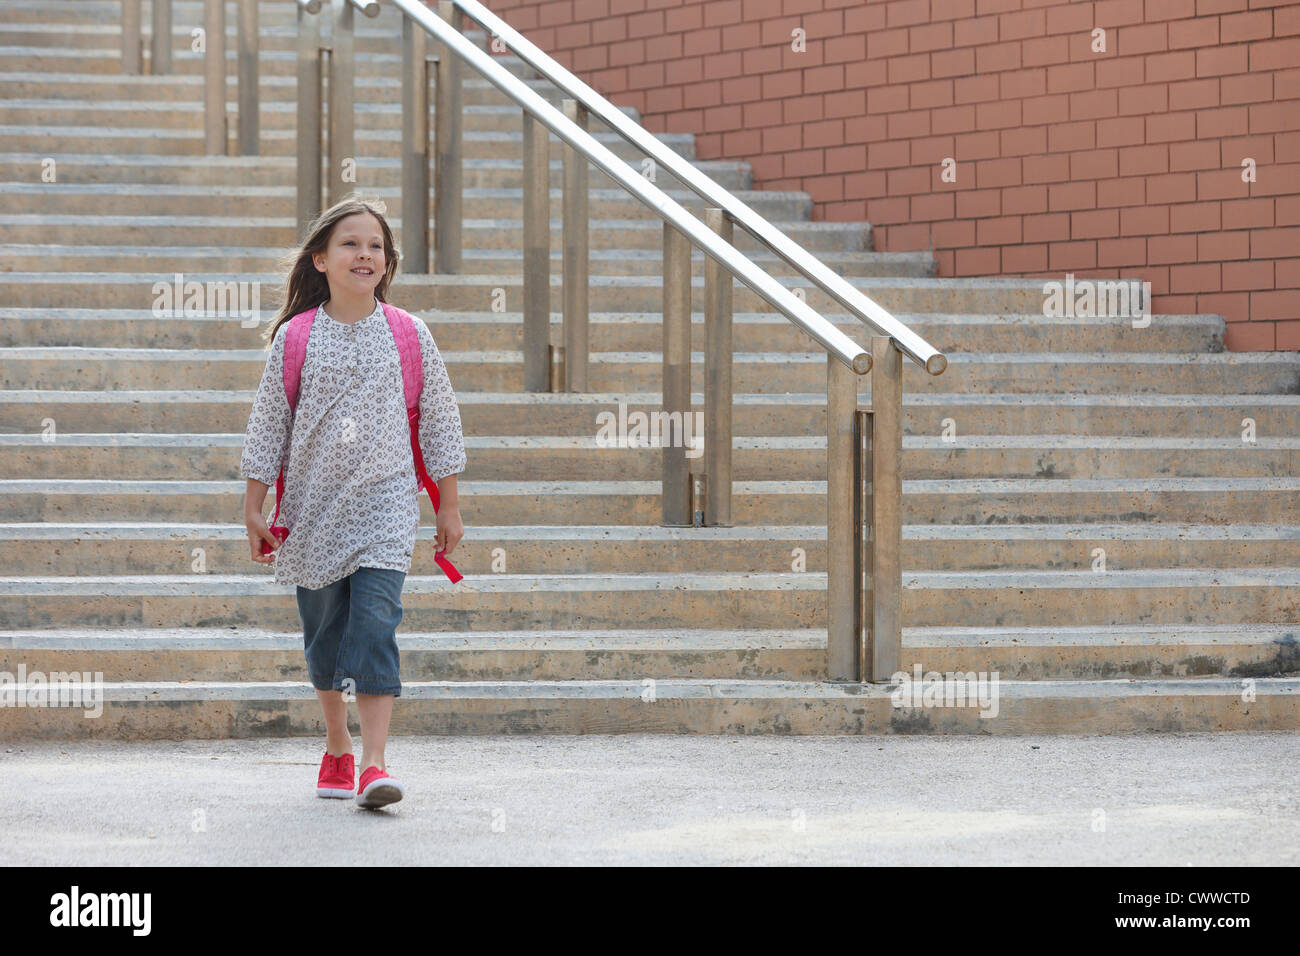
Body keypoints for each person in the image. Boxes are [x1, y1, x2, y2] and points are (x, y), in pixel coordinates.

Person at [239, 196, 466, 810]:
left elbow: (440, 421)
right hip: (313, 512)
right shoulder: (297, 337)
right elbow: (269, 425)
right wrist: (254, 505)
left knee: (374, 623)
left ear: (388, 263)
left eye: (376, 246)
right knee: (323, 634)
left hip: (387, 506)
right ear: (320, 259)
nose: (365, 254)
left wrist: (448, 504)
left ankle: (374, 762)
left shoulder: (409, 334)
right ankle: (337, 742)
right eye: (350, 244)